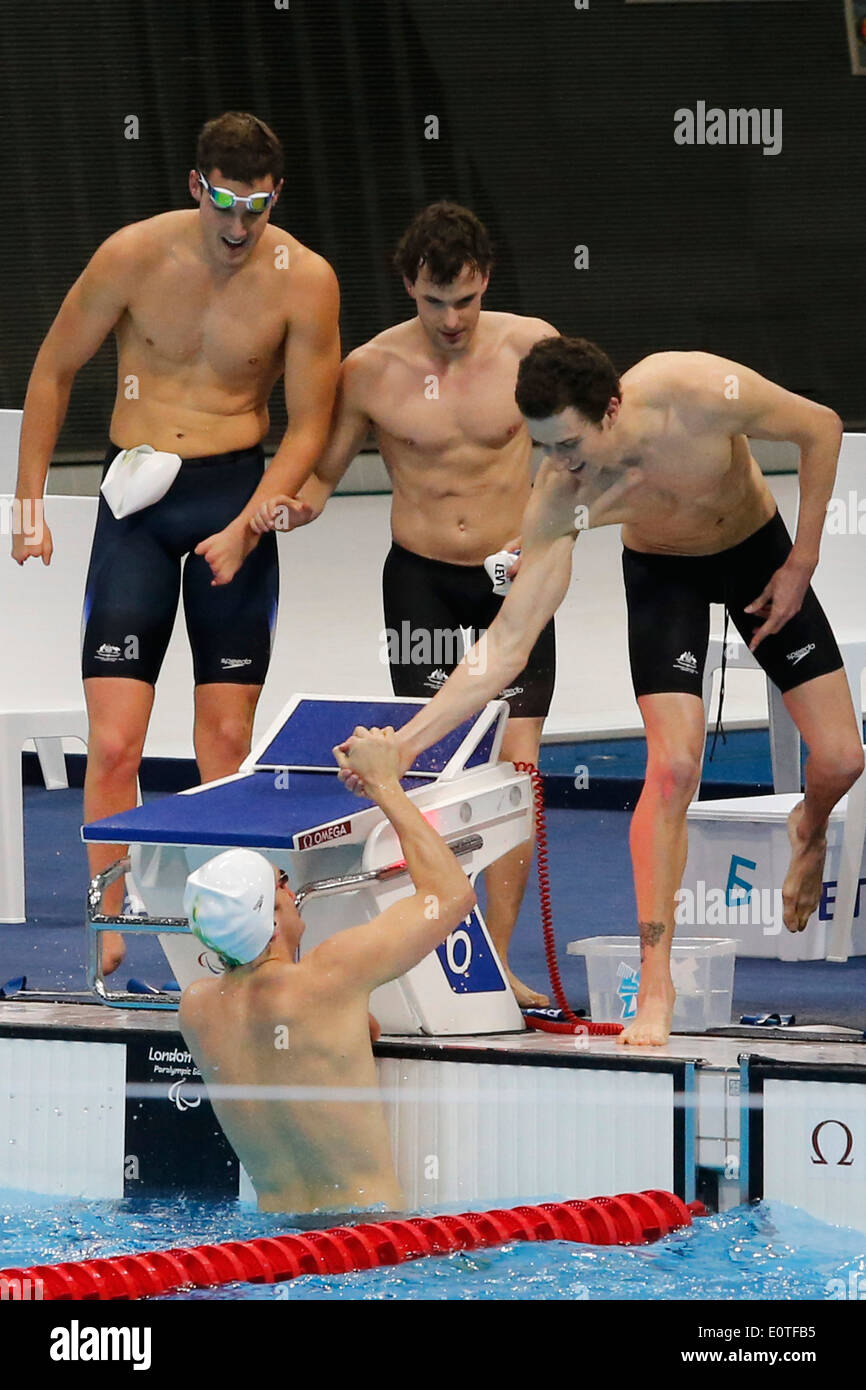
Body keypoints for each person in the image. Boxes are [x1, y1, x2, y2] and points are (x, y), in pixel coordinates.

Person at [337, 336, 865, 1046]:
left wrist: (802, 559)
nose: (559, 464)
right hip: (662, 579)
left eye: (570, 445)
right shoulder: (561, 493)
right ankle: (656, 982)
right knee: (673, 768)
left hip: (757, 552)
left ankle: (808, 828)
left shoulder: (697, 392)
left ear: (612, 408)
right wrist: (403, 745)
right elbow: (504, 647)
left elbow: (821, 427)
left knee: (841, 760)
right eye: (545, 447)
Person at [11, 112, 340, 973]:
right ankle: (111, 923)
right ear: (197, 186)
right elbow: (52, 369)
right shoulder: (132, 256)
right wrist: (29, 501)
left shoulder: (305, 281)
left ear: (278, 198)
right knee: (115, 740)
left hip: (236, 495)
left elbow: (310, 427)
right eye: (225, 204)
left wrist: (248, 524)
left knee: (224, 743)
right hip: (138, 510)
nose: (239, 229)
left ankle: (223, 934)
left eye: (257, 209)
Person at [251, 202, 557, 1007]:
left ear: (486, 281)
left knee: (516, 768)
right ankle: (440, 950)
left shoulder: (533, 349)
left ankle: (495, 958)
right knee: (433, 766)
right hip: (420, 583)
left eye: (464, 300)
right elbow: (324, 473)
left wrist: (549, 529)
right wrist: (299, 506)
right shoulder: (371, 370)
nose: (451, 320)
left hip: (509, 581)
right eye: (433, 302)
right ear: (408, 288)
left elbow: (578, 457)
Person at [178, 726, 475, 1214]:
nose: (293, 891)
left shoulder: (197, 1008)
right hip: (368, 1243)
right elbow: (449, 894)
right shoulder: (328, 976)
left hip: (270, 1246)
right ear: (274, 917)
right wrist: (384, 785)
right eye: (281, 884)